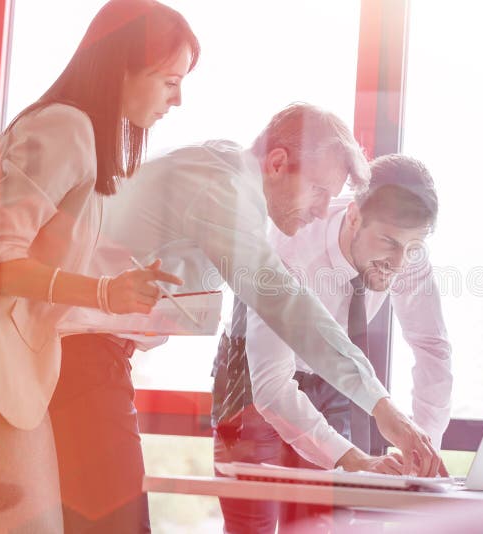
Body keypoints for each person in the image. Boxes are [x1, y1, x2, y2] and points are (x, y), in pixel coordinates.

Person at [81, 105, 441, 519]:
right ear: (277, 163)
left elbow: (430, 346)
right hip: (83, 345)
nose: (325, 211)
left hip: (102, 349)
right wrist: (382, 408)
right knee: (114, 519)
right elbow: (288, 309)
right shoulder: (223, 194)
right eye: (320, 192)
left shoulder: (227, 177)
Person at [0, 1, 199, 532]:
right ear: (123, 67)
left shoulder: (75, 133)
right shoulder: (68, 127)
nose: (178, 99)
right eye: (170, 81)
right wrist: (106, 294)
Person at [212, 154, 453, 533]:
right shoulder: (291, 248)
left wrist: (422, 444)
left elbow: (431, 347)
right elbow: (272, 388)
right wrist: (352, 457)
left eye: (412, 246)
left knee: (321, 526)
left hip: (338, 380)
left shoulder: (406, 255)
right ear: (354, 217)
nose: (398, 261)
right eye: (388, 241)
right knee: (251, 524)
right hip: (255, 379)